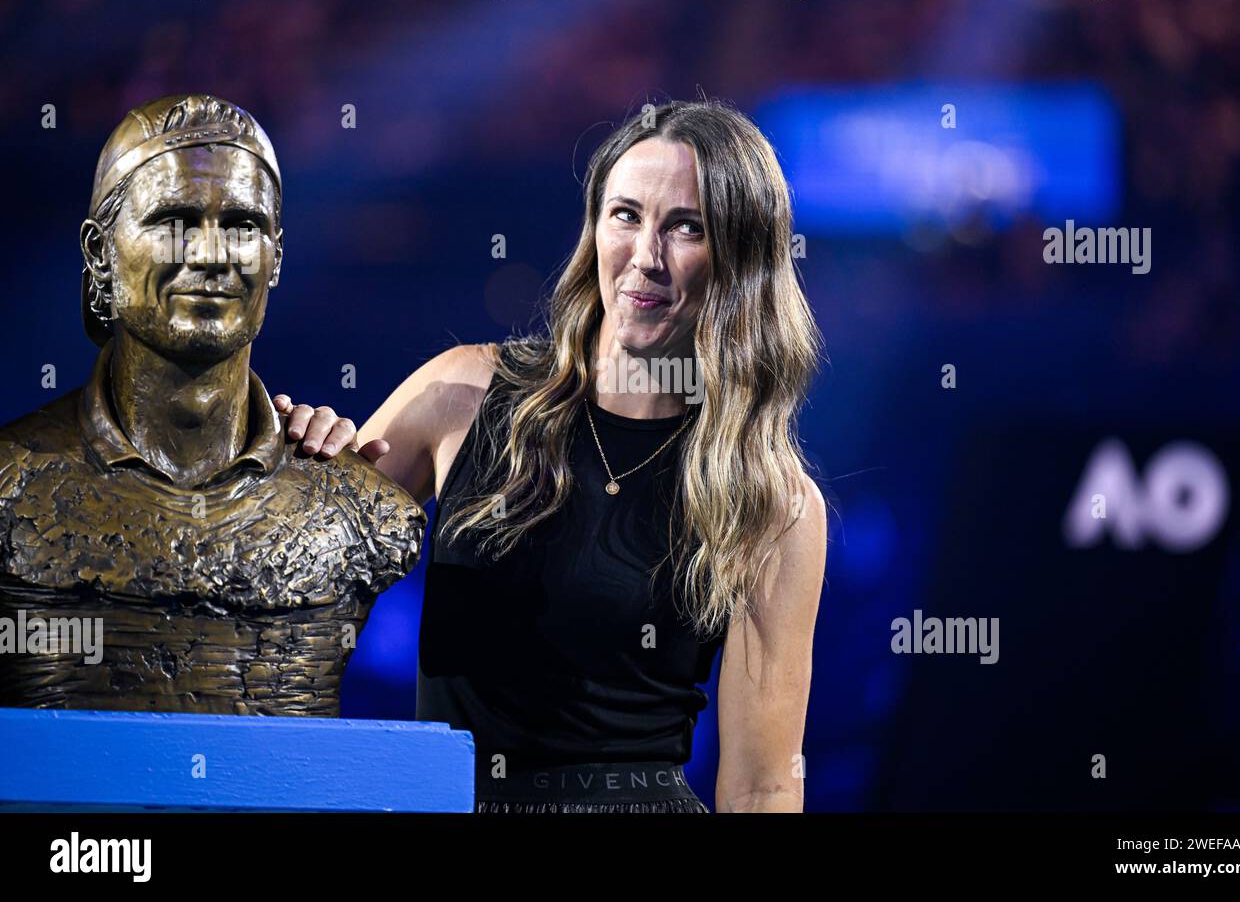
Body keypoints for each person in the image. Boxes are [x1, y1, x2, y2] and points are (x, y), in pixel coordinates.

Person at [275, 99, 827, 811]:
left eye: (686, 227)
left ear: (742, 259)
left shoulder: (771, 500)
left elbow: (763, 785)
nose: (646, 258)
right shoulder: (462, 393)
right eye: (625, 215)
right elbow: (285, 563)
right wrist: (289, 451)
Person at [0, 94, 425, 716]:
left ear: (276, 256)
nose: (210, 254)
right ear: (100, 254)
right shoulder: (10, 489)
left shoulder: (361, 509)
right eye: (172, 221)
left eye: (242, 226)